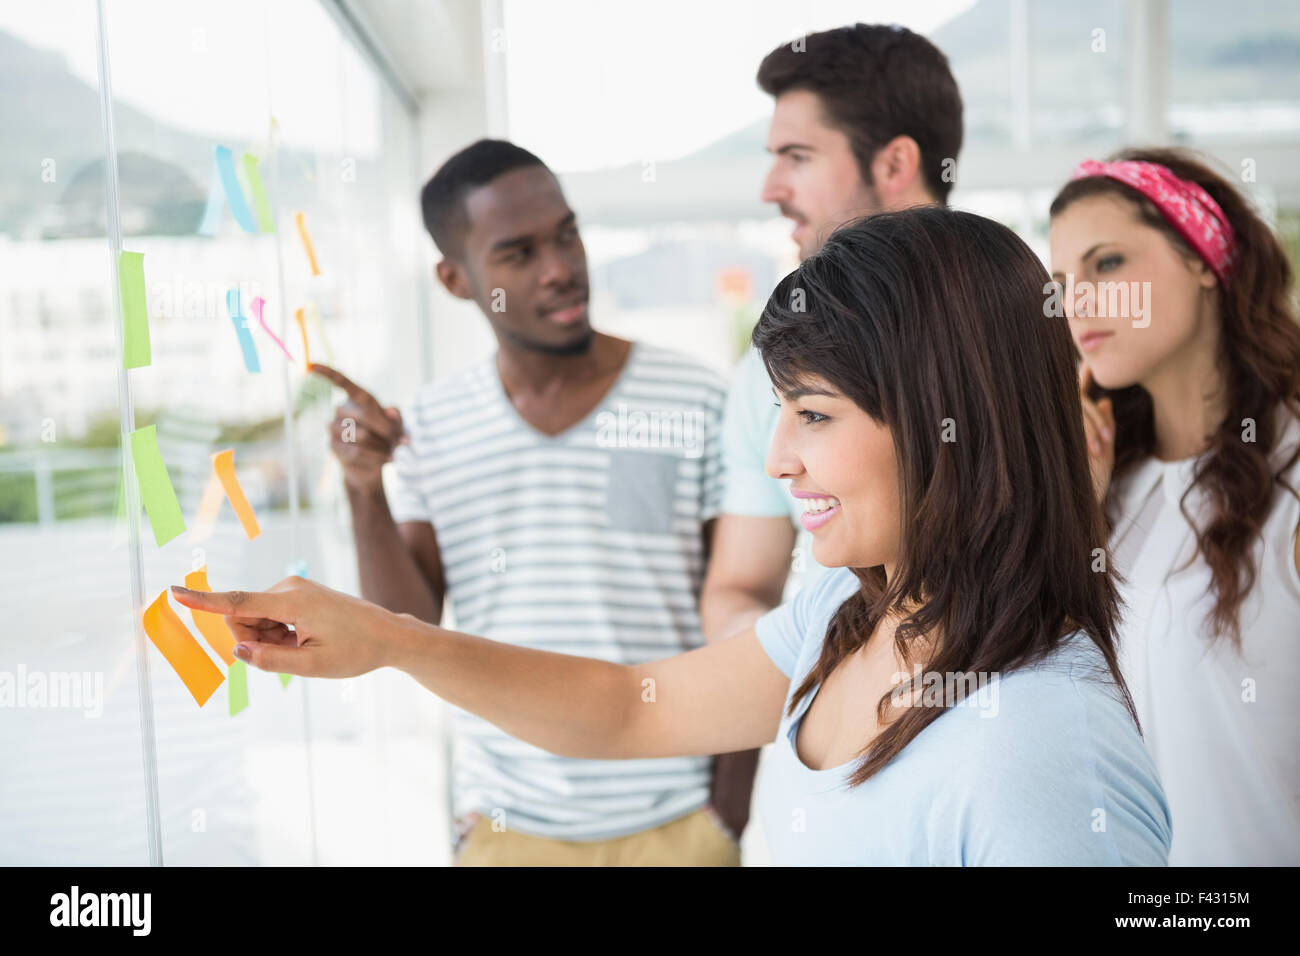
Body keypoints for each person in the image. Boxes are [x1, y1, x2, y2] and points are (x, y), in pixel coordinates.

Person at [174, 208, 1172, 865]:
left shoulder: (1043, 746)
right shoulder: (850, 608)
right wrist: (387, 641)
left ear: (951, 422)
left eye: (814, 415)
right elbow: (628, 708)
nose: (779, 458)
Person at [309, 138, 734, 866]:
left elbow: (739, 611)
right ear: (456, 279)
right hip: (509, 831)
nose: (561, 269)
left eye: (567, 234)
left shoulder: (696, 397)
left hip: (679, 822)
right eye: (519, 253)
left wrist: (729, 815)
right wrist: (363, 488)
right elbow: (409, 629)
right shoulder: (432, 427)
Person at [701, 24, 964, 840]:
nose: (772, 186)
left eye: (799, 156)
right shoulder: (768, 370)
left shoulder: (1036, 341)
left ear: (894, 163)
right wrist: (843, 672)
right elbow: (737, 590)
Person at [1049, 147, 1300, 865]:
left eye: (1106, 264)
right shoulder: (1101, 487)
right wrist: (1077, 508)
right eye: (1063, 282)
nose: (1080, 303)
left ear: (1201, 257)